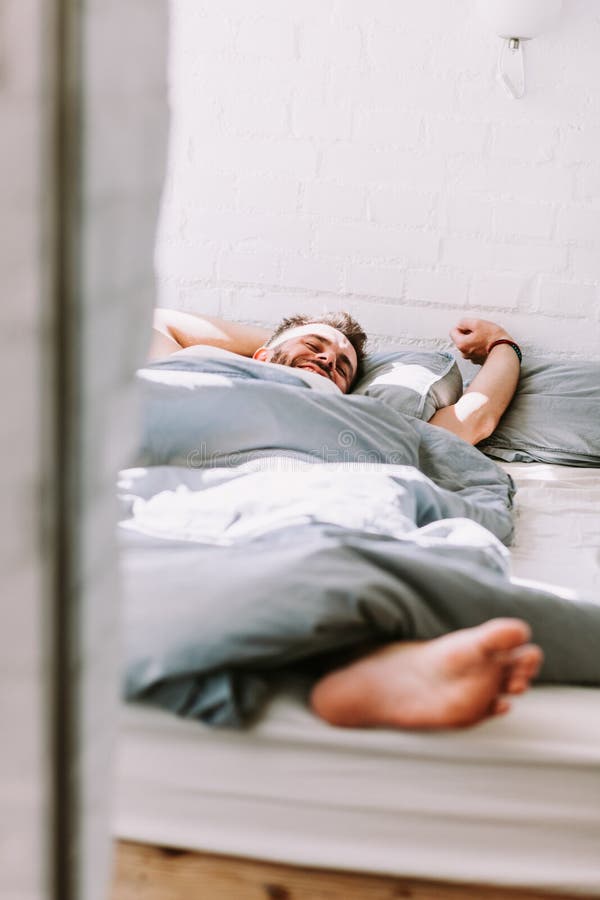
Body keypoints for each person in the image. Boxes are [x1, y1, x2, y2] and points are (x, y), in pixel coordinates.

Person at [150, 306, 541, 729]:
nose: (328, 361)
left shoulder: (360, 420)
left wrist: (502, 343)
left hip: (315, 475)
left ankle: (368, 661)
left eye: (342, 366)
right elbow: (154, 319)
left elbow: (477, 418)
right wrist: (288, 341)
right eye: (315, 348)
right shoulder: (208, 366)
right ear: (261, 355)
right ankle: (353, 654)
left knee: (357, 513)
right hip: (192, 467)